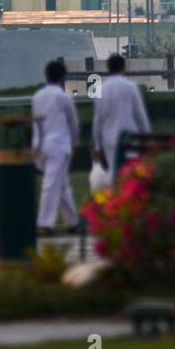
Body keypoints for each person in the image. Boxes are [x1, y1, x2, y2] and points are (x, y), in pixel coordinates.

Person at [32, 59, 79, 235]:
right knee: (52, 185)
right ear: (62, 78)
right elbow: (73, 124)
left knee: (60, 184)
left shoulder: (38, 97)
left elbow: (36, 125)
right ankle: (45, 224)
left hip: (42, 146)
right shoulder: (63, 97)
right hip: (59, 146)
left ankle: (72, 222)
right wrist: (74, 143)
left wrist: (35, 147)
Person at [91, 53, 151, 183]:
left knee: (113, 172)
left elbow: (97, 121)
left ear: (108, 68)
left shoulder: (102, 89)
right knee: (131, 171)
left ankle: (115, 199)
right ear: (123, 68)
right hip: (130, 137)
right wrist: (147, 136)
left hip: (109, 138)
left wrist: (96, 146)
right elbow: (140, 115)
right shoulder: (130, 87)